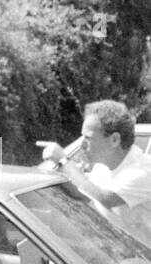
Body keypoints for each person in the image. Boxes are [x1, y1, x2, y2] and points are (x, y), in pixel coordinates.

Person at [46, 100, 151, 243]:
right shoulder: (101, 167)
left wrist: (64, 162)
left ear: (114, 139)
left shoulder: (142, 171)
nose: (82, 144)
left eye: (88, 138)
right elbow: (88, 197)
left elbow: (105, 199)